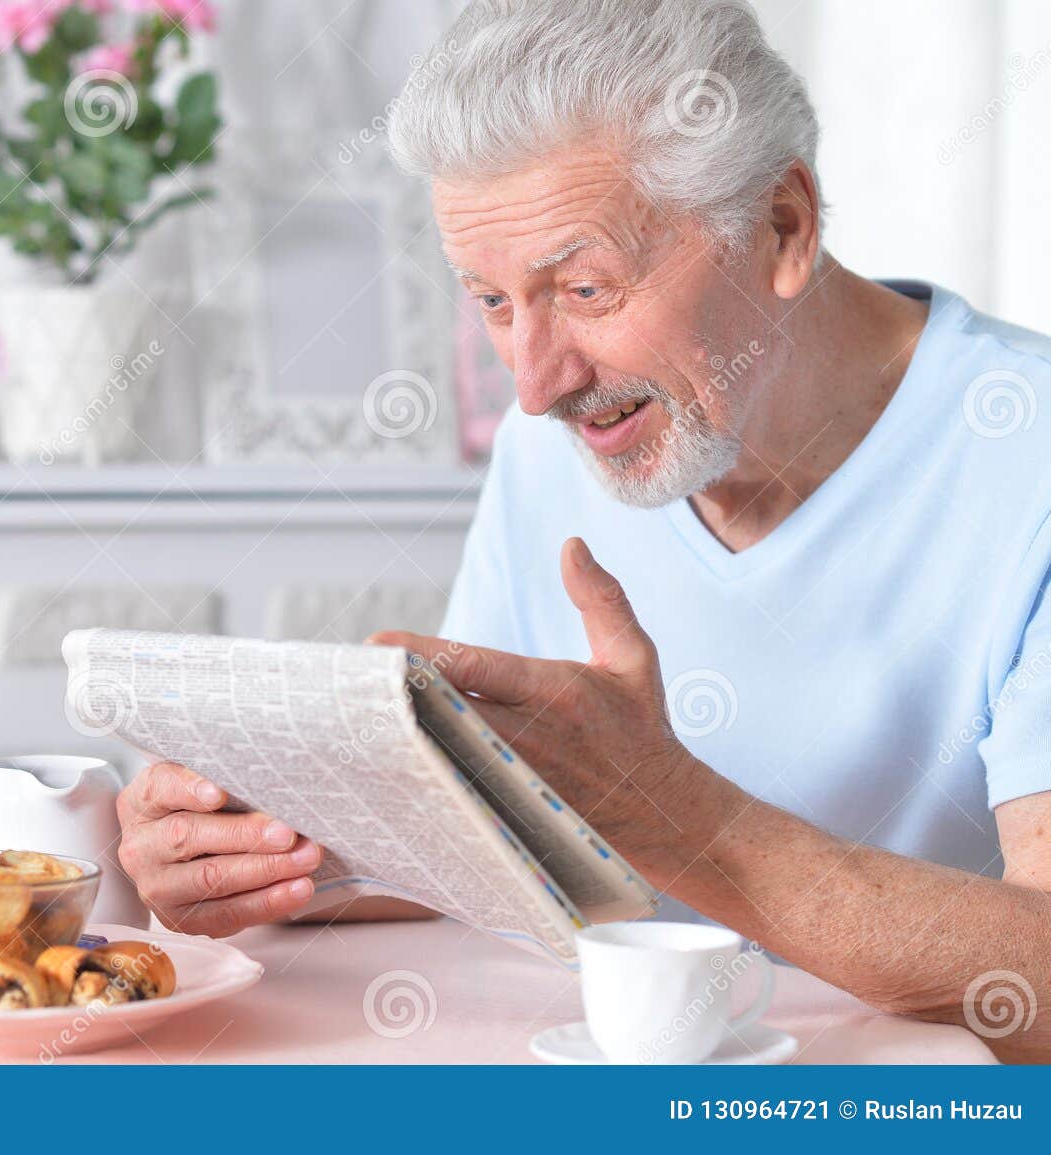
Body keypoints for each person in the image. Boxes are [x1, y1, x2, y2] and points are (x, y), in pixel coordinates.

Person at [116, 0, 1051, 1060]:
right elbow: (517, 838)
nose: (535, 384)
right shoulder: (567, 439)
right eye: (492, 302)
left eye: (584, 287)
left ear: (781, 225)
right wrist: (287, 850)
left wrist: (681, 819)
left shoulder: (1027, 459)